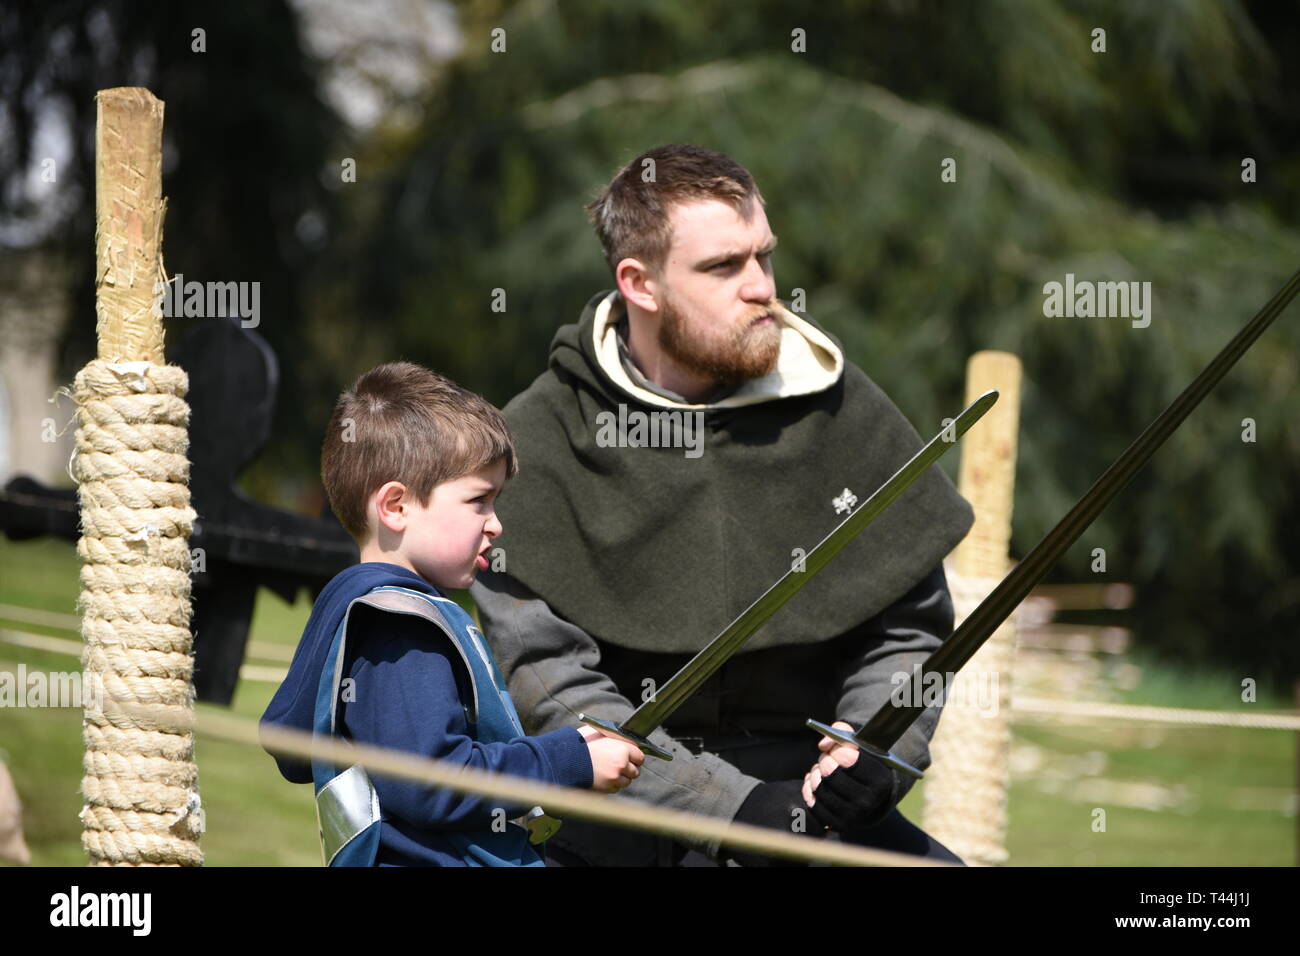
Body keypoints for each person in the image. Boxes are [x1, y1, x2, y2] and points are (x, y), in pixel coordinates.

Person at [469, 144, 973, 866]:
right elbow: (554, 688)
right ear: (639, 284)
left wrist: (876, 746)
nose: (761, 288)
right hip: (620, 812)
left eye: (763, 257)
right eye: (722, 267)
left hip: (810, 805)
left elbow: (908, 634)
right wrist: (728, 808)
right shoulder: (540, 441)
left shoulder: (840, 411)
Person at [259, 362, 644, 866]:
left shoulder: (369, 609)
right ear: (395, 506)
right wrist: (569, 761)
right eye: (478, 501)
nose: (496, 524)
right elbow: (435, 783)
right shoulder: (399, 629)